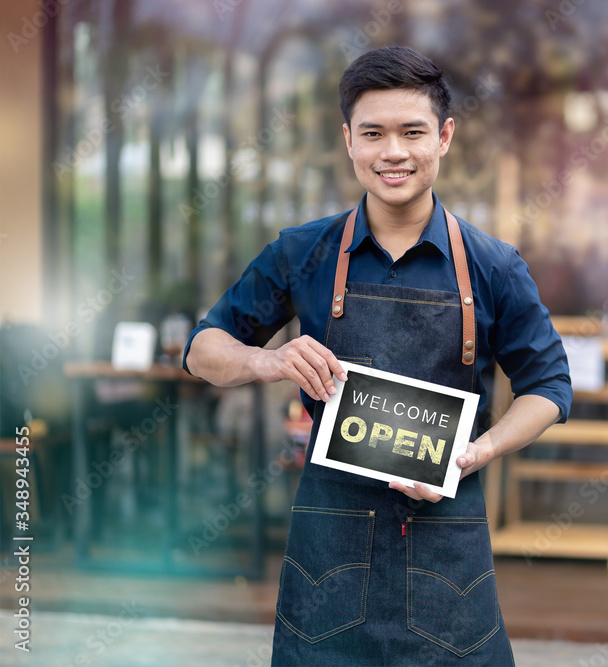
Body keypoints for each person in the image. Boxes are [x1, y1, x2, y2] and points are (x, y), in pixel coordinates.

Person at [183, 45, 572, 666]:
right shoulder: (300, 252)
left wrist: (481, 451)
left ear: (444, 137)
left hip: (449, 544)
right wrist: (268, 360)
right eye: (374, 133)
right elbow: (203, 349)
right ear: (349, 141)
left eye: (412, 132)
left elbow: (549, 387)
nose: (393, 152)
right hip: (326, 541)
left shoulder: (495, 266)